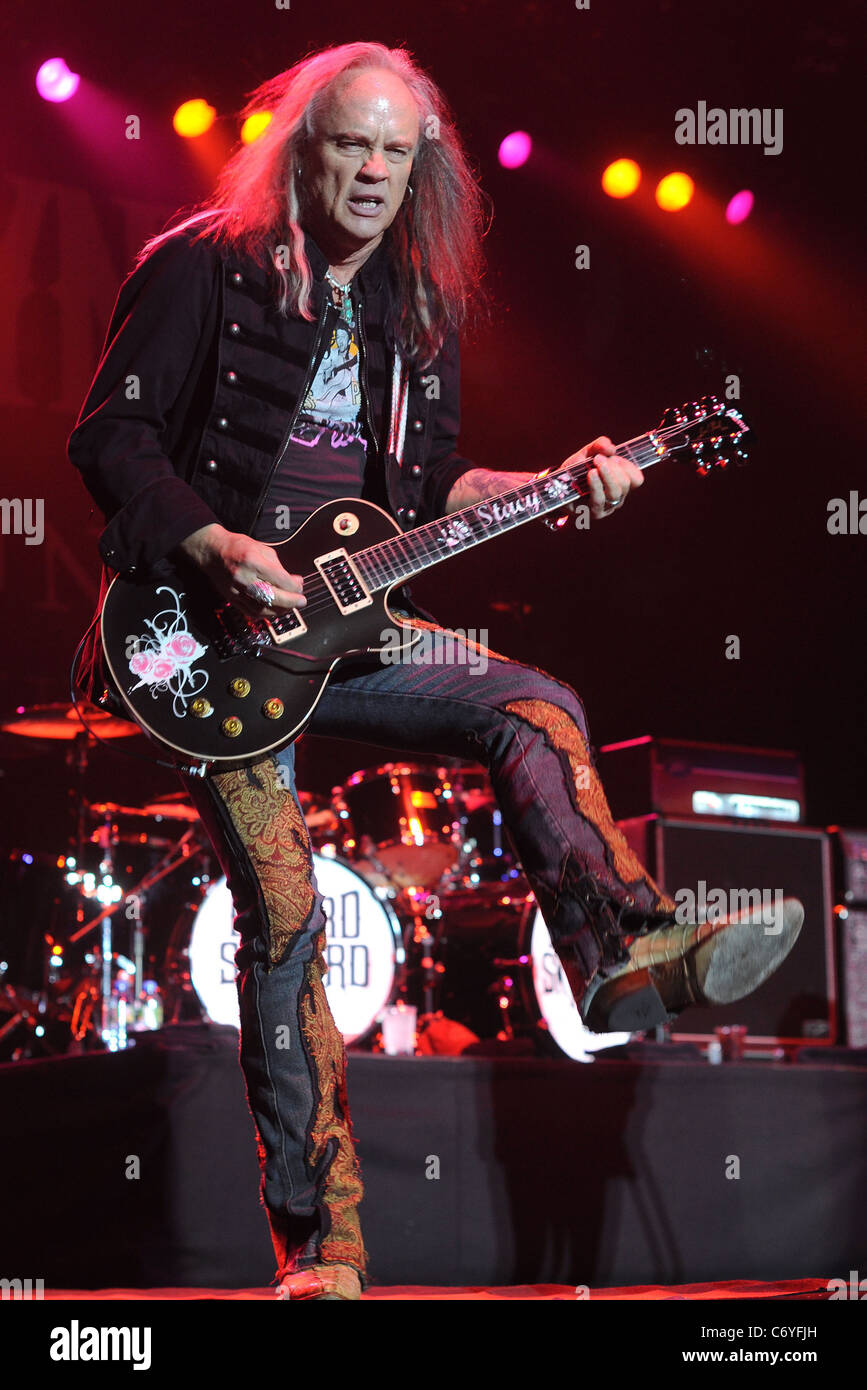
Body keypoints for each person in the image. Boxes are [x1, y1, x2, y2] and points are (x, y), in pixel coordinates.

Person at [68, 41, 803, 1301]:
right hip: (202, 642)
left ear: (423, 170)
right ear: (306, 148)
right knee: (287, 915)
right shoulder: (202, 265)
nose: (369, 171)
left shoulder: (417, 308)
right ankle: (326, 1248)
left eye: (394, 152)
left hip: (355, 620)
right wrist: (215, 540)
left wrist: (547, 489)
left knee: (537, 701)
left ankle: (628, 954)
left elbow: (421, 494)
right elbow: (111, 435)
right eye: (349, 143)